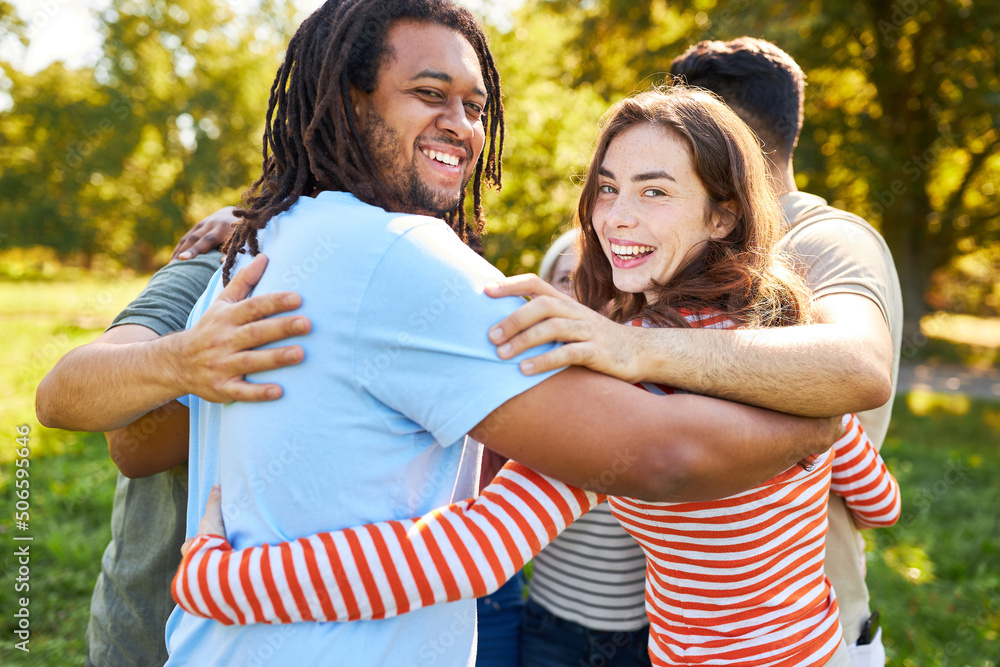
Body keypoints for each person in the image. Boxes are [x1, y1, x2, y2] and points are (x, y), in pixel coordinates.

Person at [160, 2, 841, 664]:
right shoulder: (772, 338)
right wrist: (816, 427)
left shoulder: (260, 242)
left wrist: (218, 581)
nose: (461, 125)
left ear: (722, 215)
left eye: (475, 107)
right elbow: (878, 496)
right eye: (607, 187)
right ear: (347, 100)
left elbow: (481, 544)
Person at [484, 38, 903, 664]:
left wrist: (632, 349)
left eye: (657, 188)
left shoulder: (829, 241)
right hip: (792, 643)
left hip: (831, 631)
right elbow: (881, 500)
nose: (618, 216)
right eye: (608, 188)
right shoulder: (737, 318)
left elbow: (859, 372)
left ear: (727, 179)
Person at [524, 228, 652, 667]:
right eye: (564, 279)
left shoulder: (655, 386)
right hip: (549, 623)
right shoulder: (526, 381)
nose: (579, 291)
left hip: (639, 631)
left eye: (596, 278)